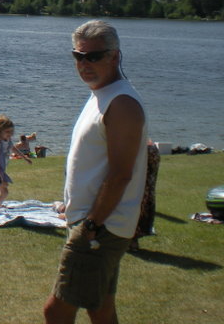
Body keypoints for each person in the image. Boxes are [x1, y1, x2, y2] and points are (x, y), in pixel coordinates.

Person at [43, 20, 147, 324]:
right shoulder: (102, 95)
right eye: (78, 56)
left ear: (114, 56)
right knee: (100, 309)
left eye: (93, 56)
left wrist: (90, 224)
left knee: (56, 312)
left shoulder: (122, 103)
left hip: (100, 228)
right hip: (94, 223)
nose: (84, 64)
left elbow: (120, 175)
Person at [0, 114, 32, 219]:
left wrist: (25, 158)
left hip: (0, 169)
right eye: (7, 132)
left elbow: (13, 149)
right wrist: (1, 177)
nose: (10, 134)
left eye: (11, 132)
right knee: (4, 192)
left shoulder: (7, 140)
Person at [129, 139, 160, 252]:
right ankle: (133, 239)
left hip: (142, 151)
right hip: (148, 150)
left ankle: (131, 239)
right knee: (145, 195)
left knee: (136, 195)